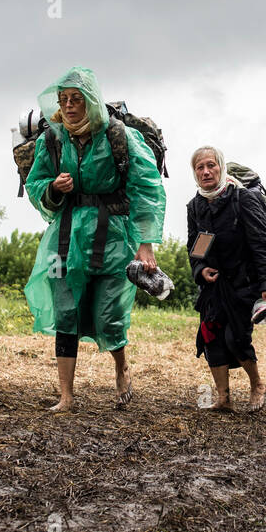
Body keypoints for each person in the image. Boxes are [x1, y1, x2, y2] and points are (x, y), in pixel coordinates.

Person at [23, 66, 165, 413]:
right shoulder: (52, 139)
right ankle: (67, 396)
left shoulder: (119, 136)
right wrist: (53, 187)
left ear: (91, 101)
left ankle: (121, 367)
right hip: (65, 238)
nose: (69, 106)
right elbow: (35, 182)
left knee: (108, 314)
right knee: (66, 312)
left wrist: (145, 243)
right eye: (63, 100)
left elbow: (146, 189)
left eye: (76, 99)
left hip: (113, 236)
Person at [187, 146, 266, 412]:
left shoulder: (244, 199)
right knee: (210, 337)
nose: (206, 172)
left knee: (236, 338)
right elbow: (193, 246)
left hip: (244, 283)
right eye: (200, 167)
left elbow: (263, 245)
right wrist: (200, 269)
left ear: (221, 167)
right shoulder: (195, 205)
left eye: (210, 165)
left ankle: (257, 385)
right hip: (213, 287)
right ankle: (223, 398)